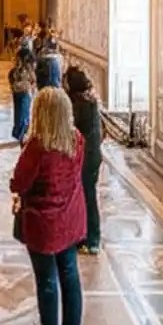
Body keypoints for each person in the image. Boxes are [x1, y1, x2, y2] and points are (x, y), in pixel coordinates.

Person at [11, 88, 86, 325]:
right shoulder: (76, 140)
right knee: (70, 275)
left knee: (47, 280)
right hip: (70, 218)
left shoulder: (38, 147)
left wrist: (16, 188)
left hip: (43, 223)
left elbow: (20, 182)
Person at [65, 67, 103, 255]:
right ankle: (83, 236)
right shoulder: (90, 100)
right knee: (85, 195)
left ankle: (91, 238)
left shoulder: (80, 105)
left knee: (86, 196)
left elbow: (72, 131)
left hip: (85, 157)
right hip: (93, 155)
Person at [8, 48, 37, 145]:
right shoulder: (20, 68)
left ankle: (21, 134)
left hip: (23, 92)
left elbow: (32, 79)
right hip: (19, 92)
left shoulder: (27, 68)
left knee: (23, 113)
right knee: (20, 113)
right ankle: (19, 133)